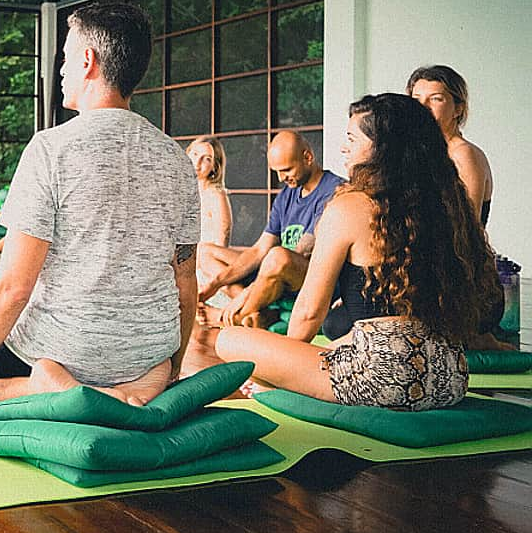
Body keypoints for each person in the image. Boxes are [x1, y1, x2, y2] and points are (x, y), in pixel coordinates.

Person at [0, 3, 200, 426]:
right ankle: (134, 389)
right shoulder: (177, 159)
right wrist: (173, 365)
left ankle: (47, 388)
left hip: (64, 350)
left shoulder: (51, 148)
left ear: (88, 62)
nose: (61, 70)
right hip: (146, 357)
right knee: (147, 369)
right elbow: (185, 280)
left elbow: (13, 285)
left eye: (65, 58)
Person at [216, 94, 500, 410]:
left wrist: (279, 372)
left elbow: (308, 316)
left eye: (352, 138)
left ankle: (272, 387)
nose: (343, 148)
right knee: (343, 342)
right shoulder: (447, 206)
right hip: (449, 379)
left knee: (230, 339)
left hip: (385, 382)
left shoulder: (349, 207)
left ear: (383, 147)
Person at [198, 131, 343, 327]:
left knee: (278, 257)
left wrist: (247, 293)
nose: (281, 177)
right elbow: (260, 250)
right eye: (276, 171)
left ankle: (231, 316)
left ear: (307, 157)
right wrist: (216, 283)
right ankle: (263, 313)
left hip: (311, 275)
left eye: (287, 170)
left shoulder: (334, 191)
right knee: (205, 252)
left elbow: (301, 252)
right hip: (276, 271)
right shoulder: (287, 194)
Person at [407, 65, 493, 224]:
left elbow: (466, 230)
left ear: (458, 109)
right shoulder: (419, 151)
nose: (423, 106)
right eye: (416, 99)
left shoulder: (464, 153)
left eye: (436, 99)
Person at [186, 136, 232, 284]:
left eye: (206, 159)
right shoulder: (182, 191)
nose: (197, 163)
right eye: (194, 155)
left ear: (215, 166)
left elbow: (223, 234)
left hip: (205, 271)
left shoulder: (215, 194)